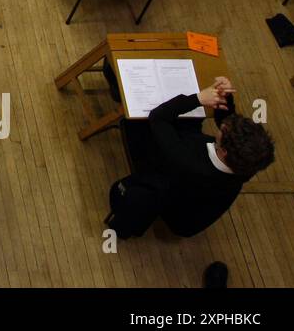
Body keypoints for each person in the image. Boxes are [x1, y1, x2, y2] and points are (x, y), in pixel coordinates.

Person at [109, 76, 274, 237]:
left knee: (136, 122)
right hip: (193, 194)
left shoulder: (188, 161)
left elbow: (158, 118)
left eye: (223, 130)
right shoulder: (249, 161)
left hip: (178, 210)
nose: (224, 124)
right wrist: (225, 98)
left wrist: (197, 99)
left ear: (223, 152)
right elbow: (229, 126)